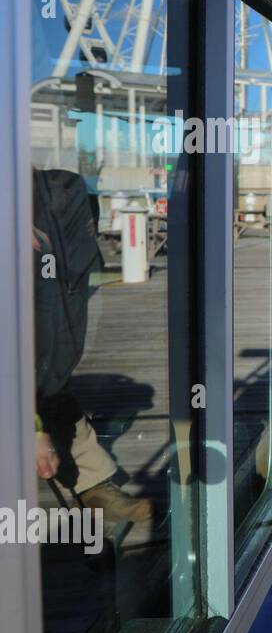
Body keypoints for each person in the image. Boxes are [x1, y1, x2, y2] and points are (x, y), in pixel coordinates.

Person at [33, 168, 151, 523]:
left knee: (56, 397)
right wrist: (33, 432)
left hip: (42, 365)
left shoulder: (50, 196)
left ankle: (95, 487)